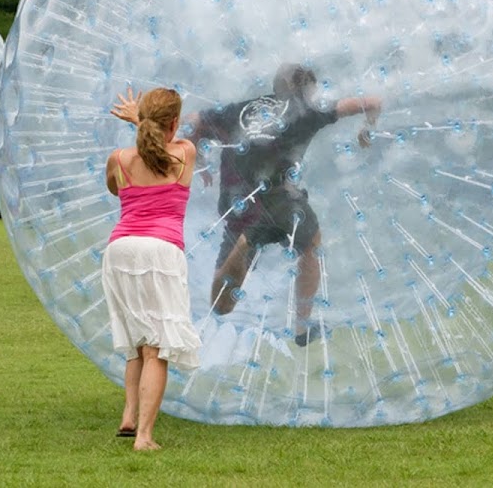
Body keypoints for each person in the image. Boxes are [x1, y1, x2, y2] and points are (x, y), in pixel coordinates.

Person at [185, 63, 382, 347]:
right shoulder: (309, 111)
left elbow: (193, 120)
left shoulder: (240, 109)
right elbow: (371, 102)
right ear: (308, 90)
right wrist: (368, 129)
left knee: (222, 305)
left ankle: (244, 245)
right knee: (311, 243)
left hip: (239, 205)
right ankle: (302, 328)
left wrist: (199, 160)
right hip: (283, 202)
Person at [103, 87, 202, 451]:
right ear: (174, 122)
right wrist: (141, 121)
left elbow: (116, 190)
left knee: (136, 342)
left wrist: (137, 122)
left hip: (120, 251)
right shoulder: (185, 154)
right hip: (160, 252)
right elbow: (162, 148)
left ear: (142, 120)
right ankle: (144, 436)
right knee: (156, 349)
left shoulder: (119, 159)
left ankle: (129, 417)